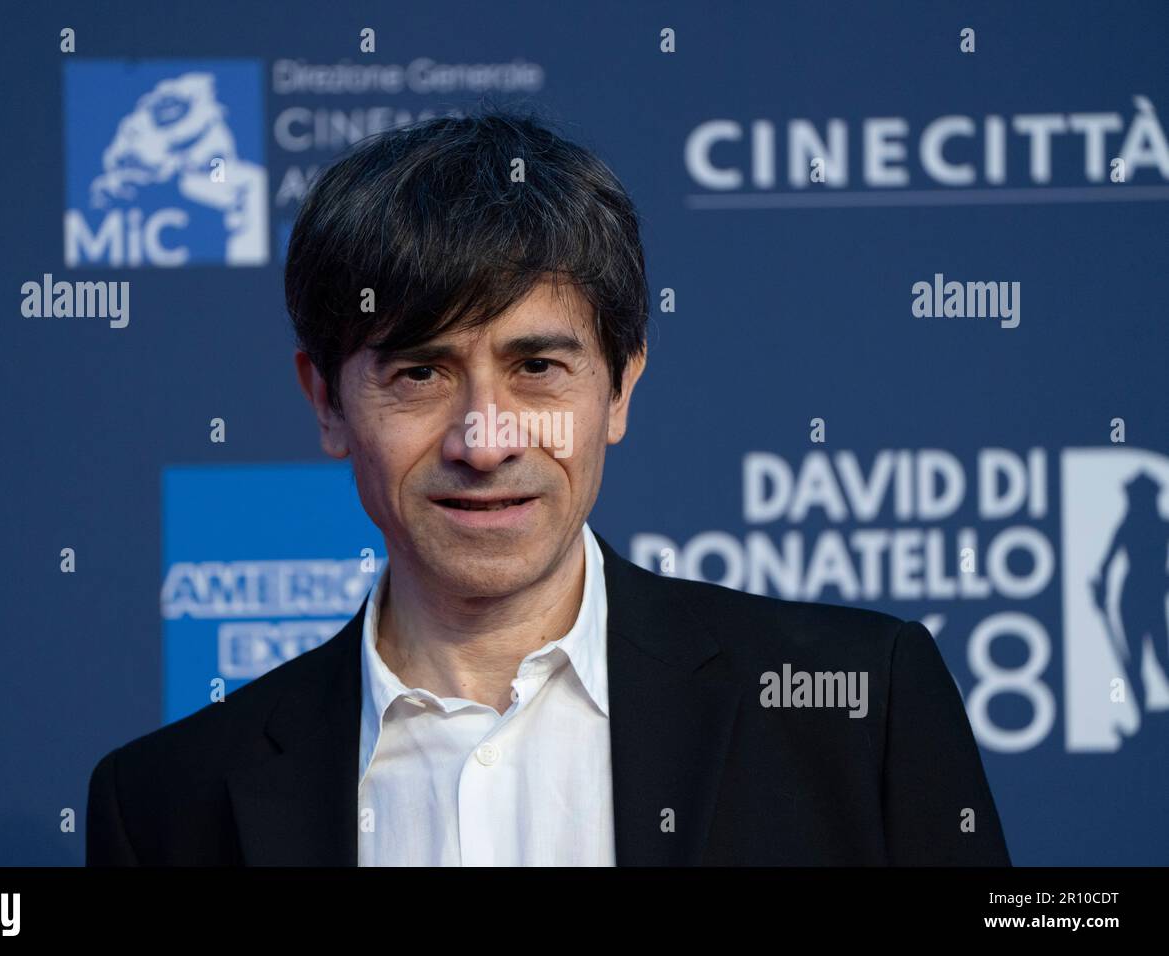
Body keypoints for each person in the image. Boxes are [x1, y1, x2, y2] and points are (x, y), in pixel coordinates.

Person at [87, 110, 1010, 866]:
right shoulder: (166, 808)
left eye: (537, 367)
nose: (484, 440)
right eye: (420, 374)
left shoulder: (857, 708)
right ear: (328, 401)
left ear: (620, 389)